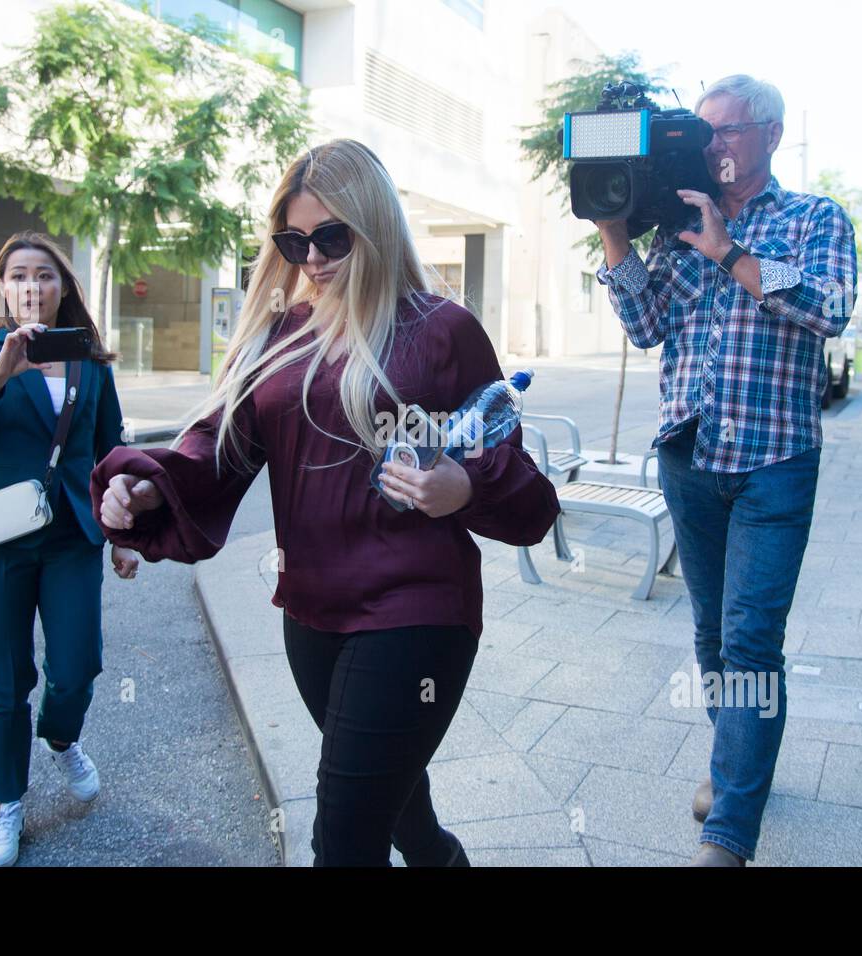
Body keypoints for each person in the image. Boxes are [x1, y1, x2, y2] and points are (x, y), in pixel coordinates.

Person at [91, 139, 560, 867]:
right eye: (293, 240)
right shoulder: (279, 336)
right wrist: (147, 485)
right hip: (311, 613)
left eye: (330, 237)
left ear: (373, 225)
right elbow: (217, 451)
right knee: (401, 813)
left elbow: (528, 497)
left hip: (417, 613)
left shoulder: (442, 330)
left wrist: (464, 485)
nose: (309, 258)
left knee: (342, 837)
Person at [594, 75, 856, 866]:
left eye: (728, 131)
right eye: (702, 132)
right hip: (689, 454)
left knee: (750, 640)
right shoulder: (677, 228)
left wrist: (730, 252)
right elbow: (645, 327)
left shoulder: (814, 218)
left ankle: (729, 832)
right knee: (712, 636)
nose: (713, 147)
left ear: (771, 134)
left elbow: (829, 307)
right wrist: (615, 235)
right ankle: (738, 765)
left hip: (775, 460)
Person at [0, 232, 138, 867]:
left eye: (44, 276)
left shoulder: (89, 358)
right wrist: (0, 374)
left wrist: (124, 535)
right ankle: (7, 808)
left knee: (77, 666)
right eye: (19, 276)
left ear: (61, 287)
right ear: (2, 287)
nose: (32, 287)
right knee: (5, 677)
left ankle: (61, 737)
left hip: (71, 535)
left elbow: (111, 450)